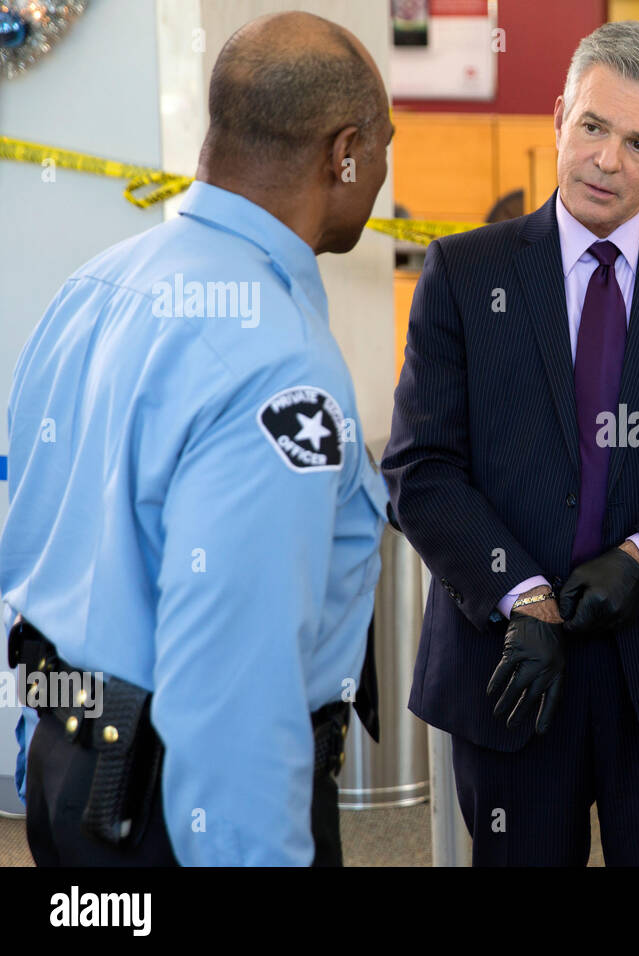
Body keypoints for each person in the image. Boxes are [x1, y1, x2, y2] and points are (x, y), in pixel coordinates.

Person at [383, 20, 639, 867]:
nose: (609, 159)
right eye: (594, 126)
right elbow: (422, 469)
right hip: (511, 664)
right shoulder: (466, 274)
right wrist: (522, 595)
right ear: (558, 117)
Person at [0, 11, 394, 865]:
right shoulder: (279, 365)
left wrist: (52, 762)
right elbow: (235, 686)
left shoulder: (95, 287)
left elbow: (31, 553)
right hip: (181, 815)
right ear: (346, 151)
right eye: (385, 149)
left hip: (72, 787)